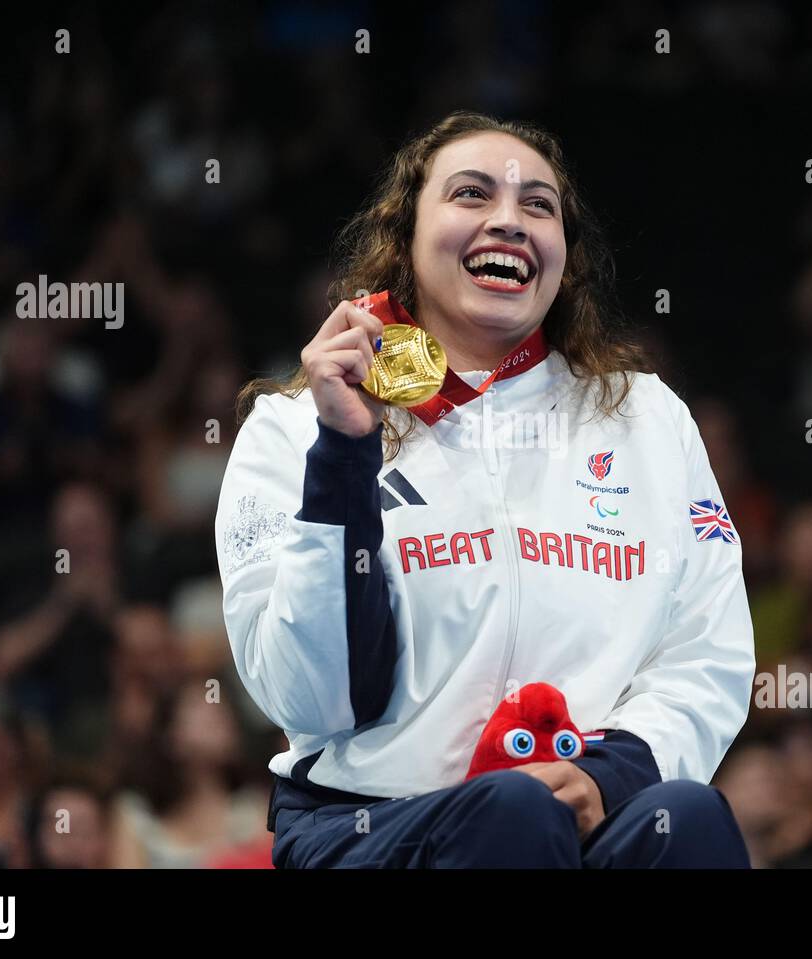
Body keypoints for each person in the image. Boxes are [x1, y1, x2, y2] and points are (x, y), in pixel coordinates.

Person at [215, 111, 756, 868]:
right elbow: (312, 698)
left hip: (584, 817)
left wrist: (614, 773)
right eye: (471, 196)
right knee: (512, 813)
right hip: (370, 828)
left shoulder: (647, 418)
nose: (509, 220)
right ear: (404, 236)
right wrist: (343, 455)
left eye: (538, 205)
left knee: (687, 814)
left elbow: (708, 647)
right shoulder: (293, 428)